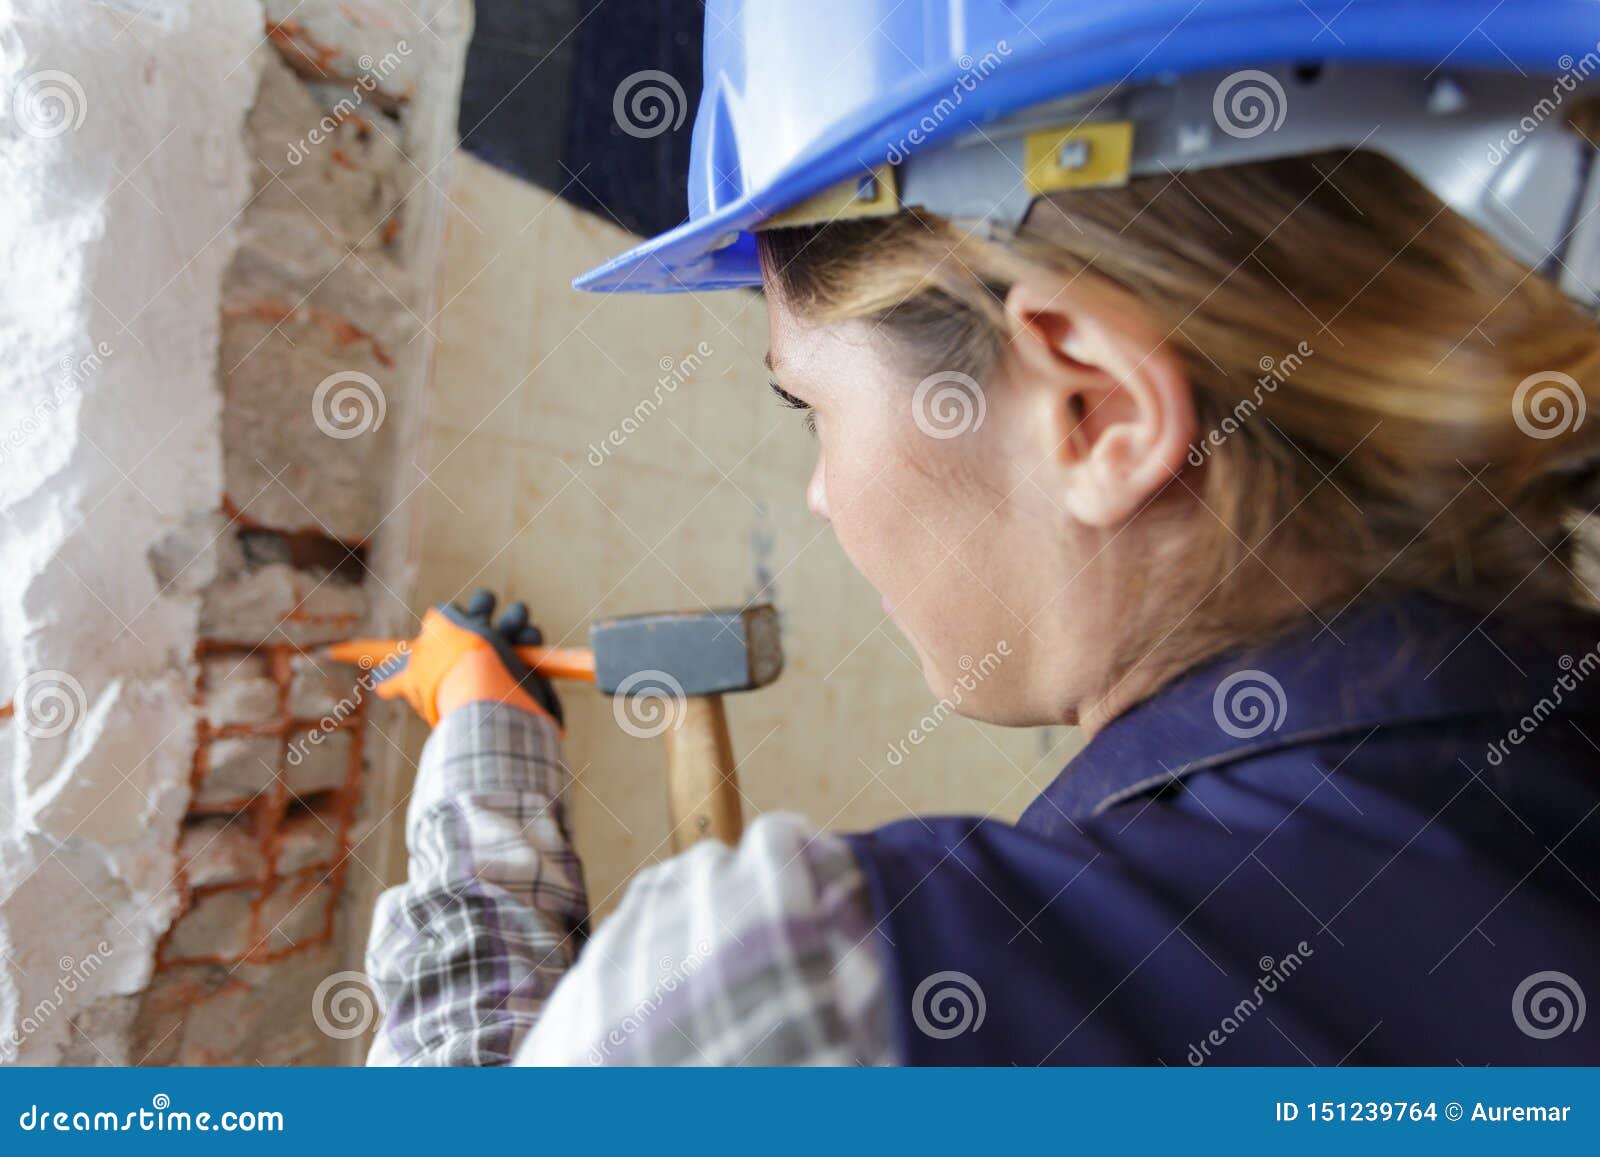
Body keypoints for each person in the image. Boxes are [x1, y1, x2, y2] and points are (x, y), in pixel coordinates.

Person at [364, 0, 1600, 1065]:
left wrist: (483, 774)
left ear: (1094, 407)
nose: (821, 495)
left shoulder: (802, 1000)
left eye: (807, 406)